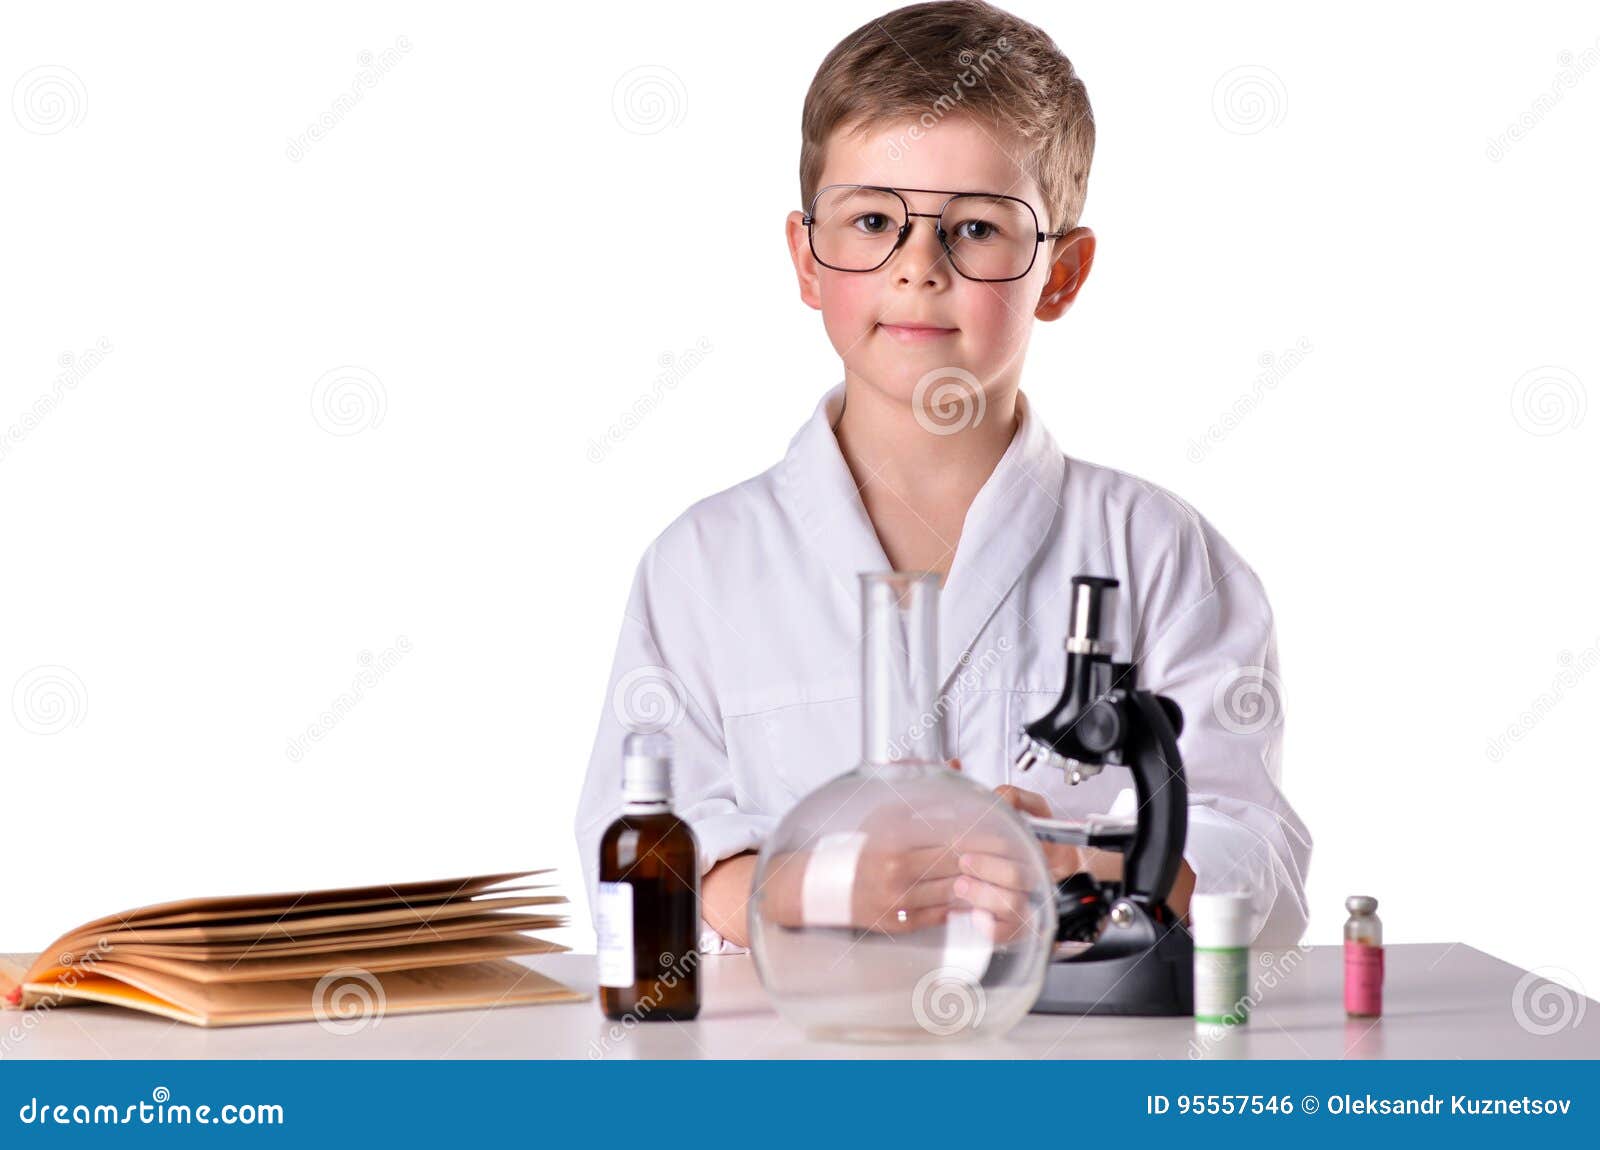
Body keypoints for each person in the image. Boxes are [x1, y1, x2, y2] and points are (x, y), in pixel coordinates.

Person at [574, 0, 1311, 956]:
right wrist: (806, 882)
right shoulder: (703, 564)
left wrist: (1084, 866)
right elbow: (627, 851)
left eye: (974, 229)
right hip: (796, 1073)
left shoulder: (1160, 551)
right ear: (806, 258)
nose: (918, 267)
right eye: (873, 219)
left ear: (1063, 272)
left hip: (1079, 1068)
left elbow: (1260, 862)